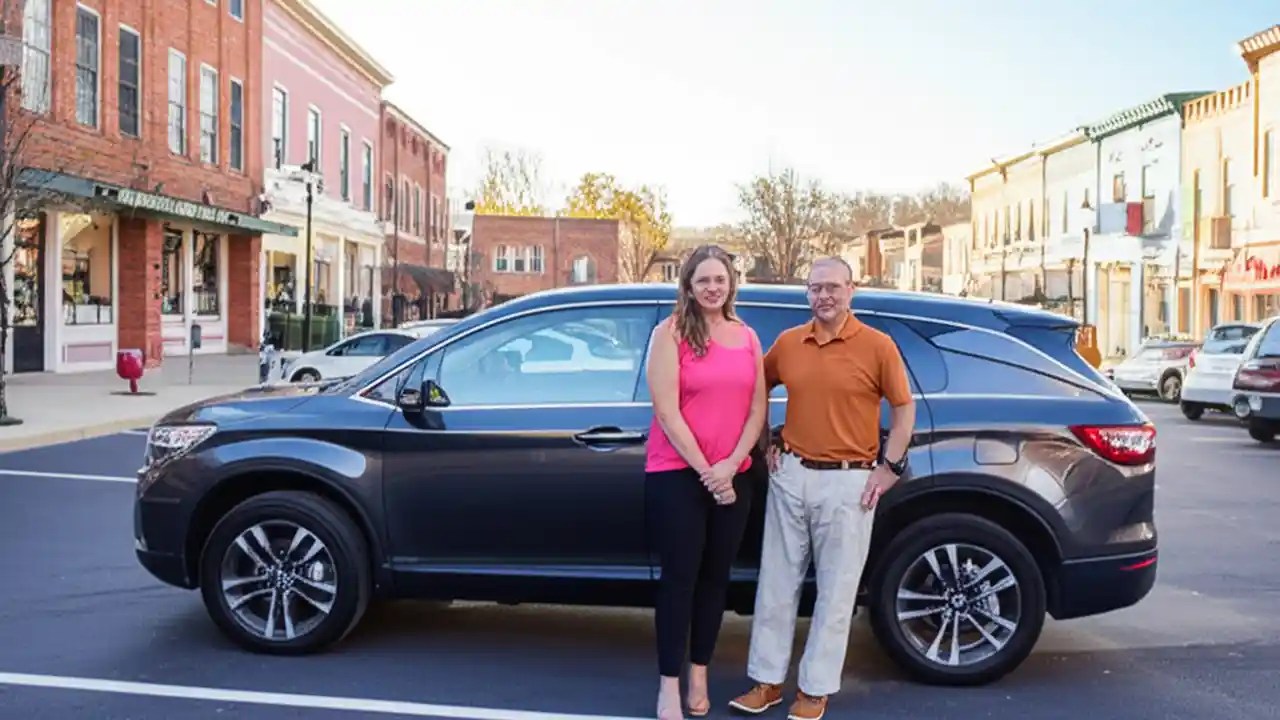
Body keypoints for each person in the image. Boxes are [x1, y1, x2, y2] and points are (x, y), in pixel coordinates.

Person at [729, 257, 915, 720]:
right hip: (791, 474)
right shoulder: (790, 343)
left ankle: (814, 690)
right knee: (775, 584)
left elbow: (904, 408)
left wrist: (889, 467)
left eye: (832, 287)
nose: (823, 296)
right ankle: (767, 681)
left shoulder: (878, 346)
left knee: (835, 592)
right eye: (815, 288)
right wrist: (766, 438)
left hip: (850, 481)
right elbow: (755, 388)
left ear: (852, 289)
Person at [645, 244, 769, 720]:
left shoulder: (747, 336)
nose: (713, 288)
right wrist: (707, 471)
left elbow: (758, 408)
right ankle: (669, 685)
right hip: (678, 474)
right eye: (703, 281)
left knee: (716, 579)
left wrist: (730, 465)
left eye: (720, 280)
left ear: (730, 283)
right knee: (680, 579)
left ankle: (700, 671)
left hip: (733, 476)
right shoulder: (670, 332)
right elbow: (667, 412)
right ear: (689, 286)